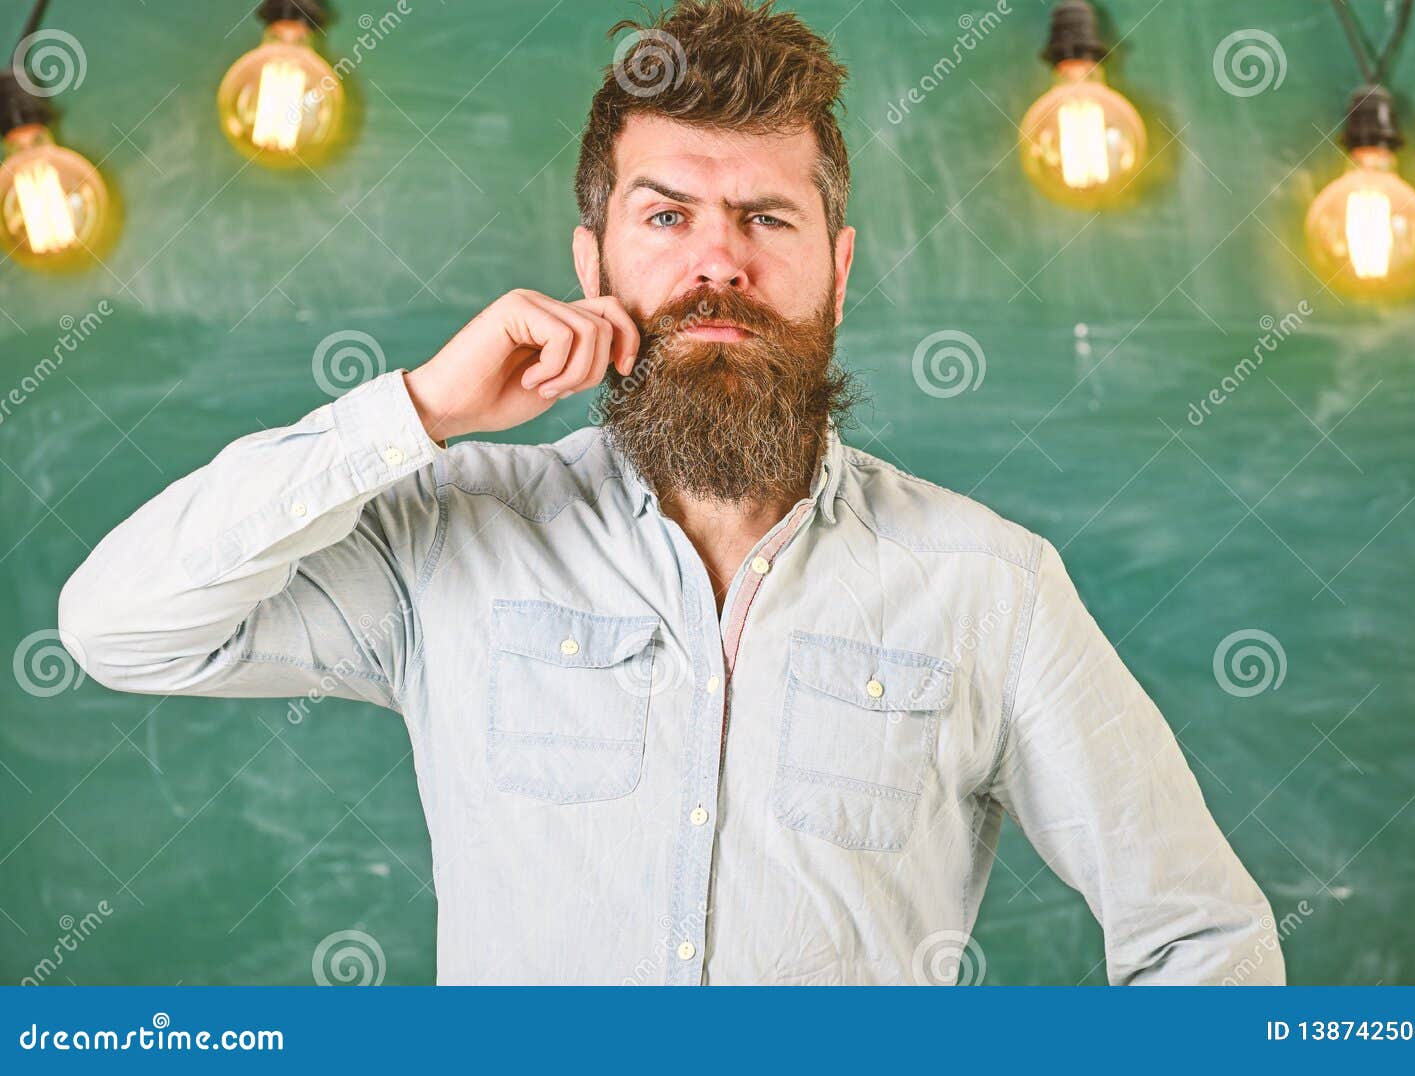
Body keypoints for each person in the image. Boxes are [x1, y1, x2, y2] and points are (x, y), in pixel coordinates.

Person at [58, 0, 1283, 985]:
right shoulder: (450, 536)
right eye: (666, 214)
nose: (718, 261)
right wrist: (417, 411)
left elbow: (1203, 944)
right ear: (591, 259)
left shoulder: (990, 588)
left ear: (837, 269)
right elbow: (120, 626)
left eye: (765, 216)